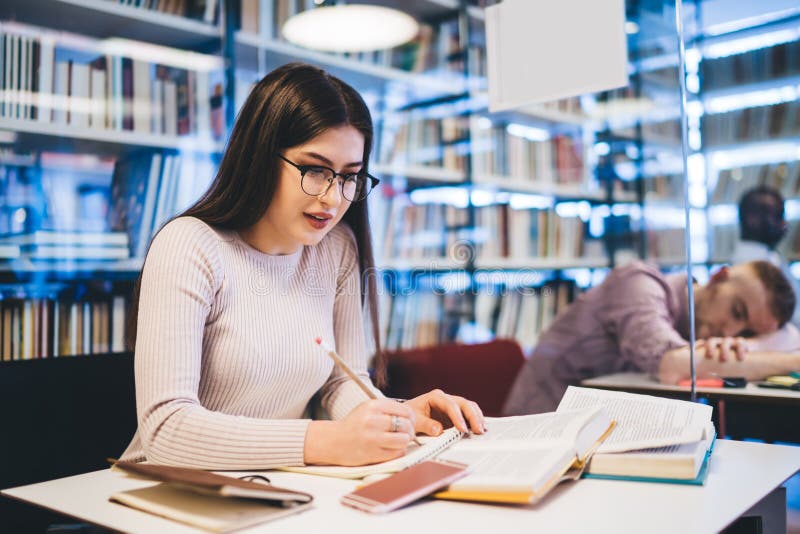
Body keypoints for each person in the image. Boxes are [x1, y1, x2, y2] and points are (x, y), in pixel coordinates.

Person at [119, 63, 485, 469]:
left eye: (350, 176)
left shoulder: (337, 247)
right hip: (159, 495)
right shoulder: (190, 245)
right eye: (314, 170)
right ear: (259, 156)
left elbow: (340, 381)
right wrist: (327, 441)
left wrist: (394, 417)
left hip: (269, 486)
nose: (332, 199)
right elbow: (166, 430)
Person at [503, 260, 800, 415]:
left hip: (604, 427)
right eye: (737, 312)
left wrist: (751, 346)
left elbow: (789, 335)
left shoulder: (710, 327)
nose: (732, 334)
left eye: (746, 332)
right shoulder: (639, 284)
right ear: (719, 277)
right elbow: (673, 366)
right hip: (542, 420)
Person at [731, 184, 800, 325]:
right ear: (752, 219)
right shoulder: (749, 266)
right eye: (778, 216)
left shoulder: (770, 256)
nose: (783, 224)